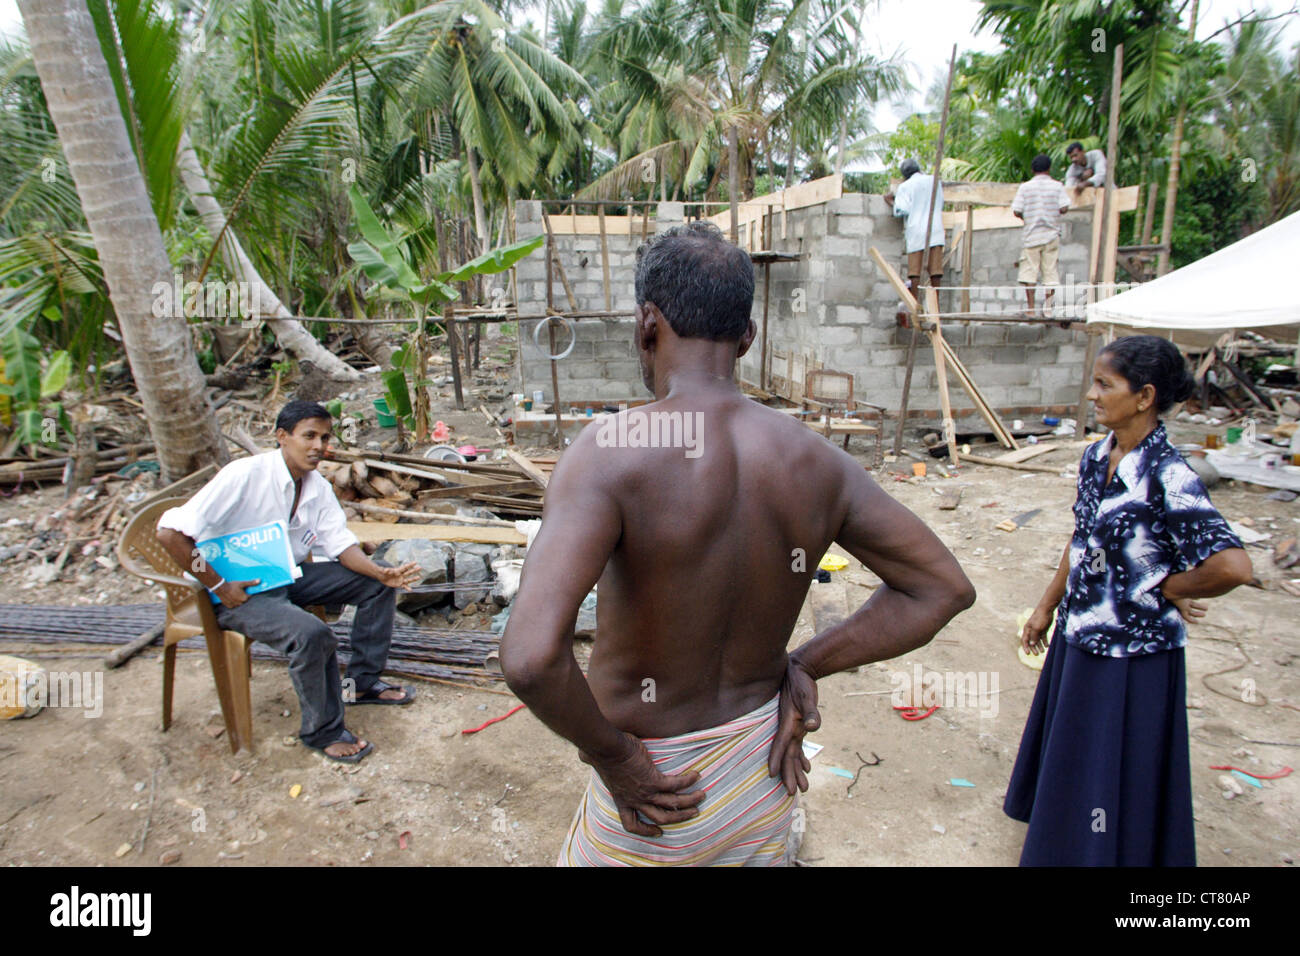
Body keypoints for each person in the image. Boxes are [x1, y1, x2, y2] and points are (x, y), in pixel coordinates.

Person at [500, 222, 975, 866]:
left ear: (647, 325)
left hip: (657, 797)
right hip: (763, 774)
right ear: (747, 338)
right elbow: (942, 587)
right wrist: (804, 663)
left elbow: (529, 658)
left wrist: (617, 759)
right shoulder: (816, 460)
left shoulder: (609, 454)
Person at [1004, 335, 1253, 866]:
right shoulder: (1097, 457)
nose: (1093, 395)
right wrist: (1047, 606)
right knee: (1079, 752)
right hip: (1081, 633)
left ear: (1144, 396)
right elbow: (1083, 538)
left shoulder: (1170, 476)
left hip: (1133, 655)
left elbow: (1232, 566)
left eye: (1104, 385)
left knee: (1112, 759)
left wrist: (1168, 586)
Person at [156, 400, 422, 763]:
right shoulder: (244, 475)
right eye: (308, 435)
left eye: (324, 437)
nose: (318, 446)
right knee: (312, 634)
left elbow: (341, 545)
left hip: (284, 575)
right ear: (282, 436)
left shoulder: (315, 485)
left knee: (376, 586)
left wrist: (380, 572)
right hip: (236, 592)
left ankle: (359, 684)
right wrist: (219, 586)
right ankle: (322, 731)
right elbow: (170, 535)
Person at [1011, 154, 1072, 316]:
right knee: (1050, 271)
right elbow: (1065, 207)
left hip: (1032, 235)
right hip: (1051, 235)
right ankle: (1048, 309)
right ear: (1049, 169)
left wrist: (1027, 217)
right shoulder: (1057, 186)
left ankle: (1030, 309)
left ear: (1033, 170)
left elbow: (1016, 210)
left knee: (1030, 271)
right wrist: (1053, 212)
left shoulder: (1025, 187)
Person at [883, 158, 946, 305]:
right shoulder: (934, 181)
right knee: (935, 271)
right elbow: (941, 202)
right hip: (935, 230)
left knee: (915, 271)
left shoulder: (905, 186)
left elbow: (902, 210)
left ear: (905, 175)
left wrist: (891, 201)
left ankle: (915, 304)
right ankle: (935, 305)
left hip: (916, 231)